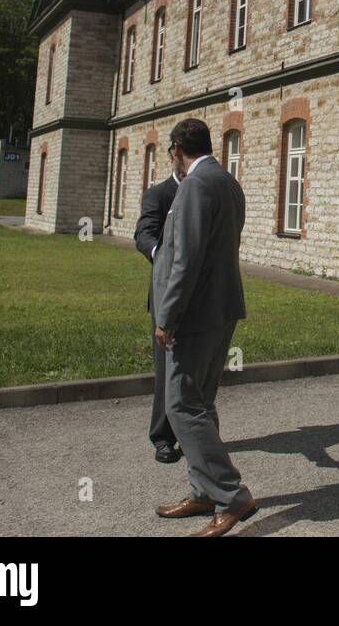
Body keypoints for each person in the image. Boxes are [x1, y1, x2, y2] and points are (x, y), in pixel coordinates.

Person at [151, 118, 256, 537]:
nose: (171, 159)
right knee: (201, 402)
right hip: (220, 307)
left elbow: (186, 258)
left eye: (170, 152)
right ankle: (203, 491)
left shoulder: (195, 184)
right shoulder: (228, 181)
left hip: (195, 314)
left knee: (181, 405)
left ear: (177, 148)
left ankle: (232, 496)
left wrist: (168, 315)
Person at [135, 161, 182, 463]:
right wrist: (163, 255)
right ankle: (163, 437)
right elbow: (143, 235)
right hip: (166, 291)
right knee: (166, 367)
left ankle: (193, 432)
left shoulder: (205, 189)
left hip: (200, 294)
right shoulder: (159, 194)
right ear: (175, 155)